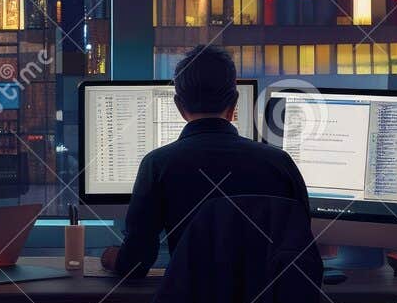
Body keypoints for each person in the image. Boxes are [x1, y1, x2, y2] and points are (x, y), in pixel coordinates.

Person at [101, 46, 311, 278]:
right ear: (234, 103)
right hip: (270, 301)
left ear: (179, 106)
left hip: (191, 300)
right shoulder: (279, 164)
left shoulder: (158, 164)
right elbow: (302, 249)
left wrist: (110, 256)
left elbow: (134, 263)